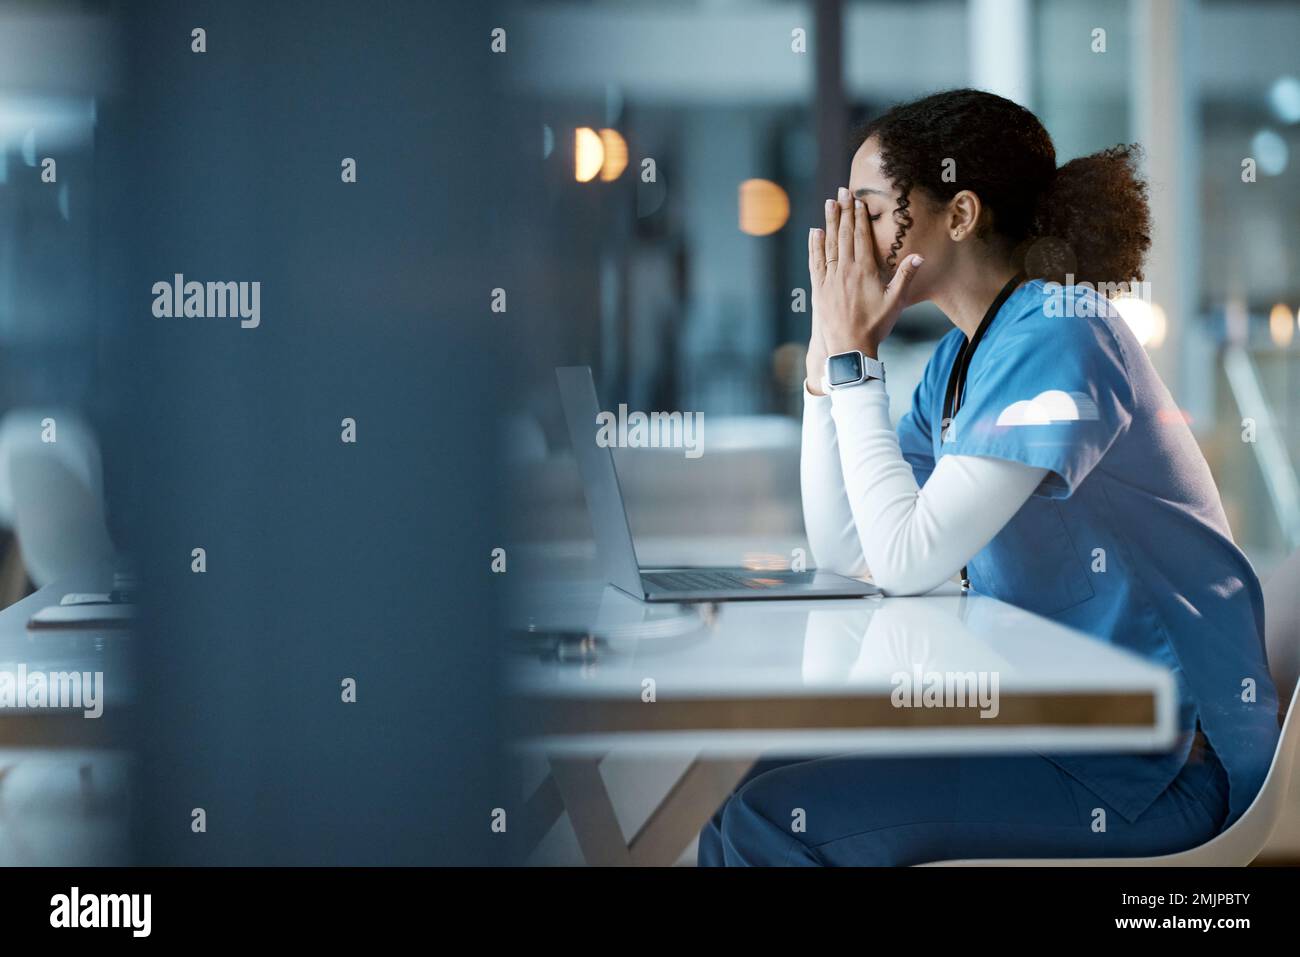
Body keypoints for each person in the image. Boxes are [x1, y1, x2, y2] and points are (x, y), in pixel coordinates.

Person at [698, 89, 1281, 866]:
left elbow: (906, 561)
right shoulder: (957, 361)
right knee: (749, 788)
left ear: (960, 214)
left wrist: (856, 360)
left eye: (869, 211)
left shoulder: (1062, 333)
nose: (849, 242)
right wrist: (822, 367)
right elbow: (850, 551)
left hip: (1156, 766)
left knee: (773, 819)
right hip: (1051, 732)